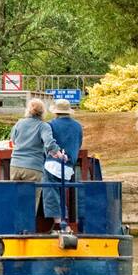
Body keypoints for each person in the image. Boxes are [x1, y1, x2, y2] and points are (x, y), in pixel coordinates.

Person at [43, 99, 84, 233]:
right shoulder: (78, 126)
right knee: (61, 193)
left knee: (51, 193)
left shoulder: (51, 125)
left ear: (56, 112)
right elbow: (79, 144)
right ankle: (64, 222)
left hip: (52, 165)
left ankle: (60, 224)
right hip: (68, 167)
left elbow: (48, 144)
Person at [8, 98, 61, 181]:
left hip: (15, 165)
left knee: (16, 194)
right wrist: (58, 152)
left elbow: (13, 140)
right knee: (32, 194)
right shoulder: (43, 126)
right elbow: (49, 143)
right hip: (33, 166)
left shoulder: (19, 123)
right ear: (43, 111)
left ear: (28, 110)